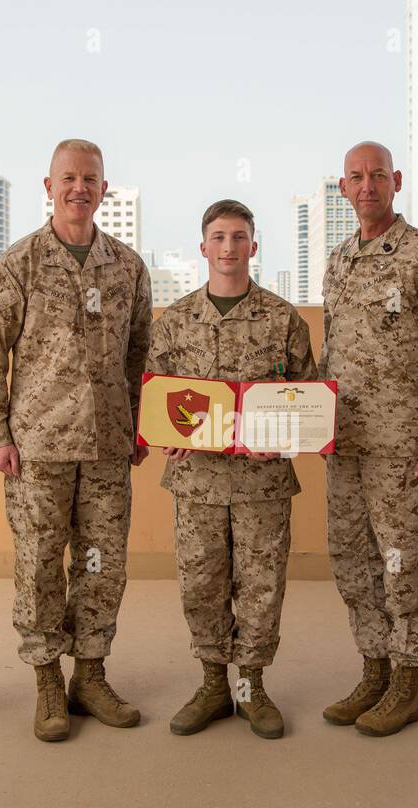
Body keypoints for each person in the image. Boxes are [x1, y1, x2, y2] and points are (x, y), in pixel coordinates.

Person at [0, 139, 152, 743]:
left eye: (90, 179)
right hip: (38, 448)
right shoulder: (19, 264)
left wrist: (137, 422)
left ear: (104, 188)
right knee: (40, 563)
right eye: (67, 178)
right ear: (49, 187)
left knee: (103, 566)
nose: (79, 188)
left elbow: (140, 354)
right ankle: (47, 678)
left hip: (105, 448)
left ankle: (90, 676)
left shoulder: (127, 266)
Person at [319, 142, 418, 737]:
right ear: (343, 188)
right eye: (356, 177)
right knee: (352, 562)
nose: (367, 186)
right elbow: (332, 352)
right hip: (345, 443)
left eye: (378, 175)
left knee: (400, 563)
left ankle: (407, 684)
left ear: (397, 181)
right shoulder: (338, 261)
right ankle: (374, 669)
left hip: (404, 447)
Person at [147, 200, 318, 739]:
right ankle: (213, 684)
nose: (228, 247)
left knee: (262, 585)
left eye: (238, 236)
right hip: (196, 483)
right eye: (218, 237)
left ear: (253, 246)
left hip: (261, 484)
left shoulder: (282, 318)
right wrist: (167, 436)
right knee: (201, 582)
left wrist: (283, 441)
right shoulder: (174, 321)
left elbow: (306, 396)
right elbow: (156, 395)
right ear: (203, 247)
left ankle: (252, 686)